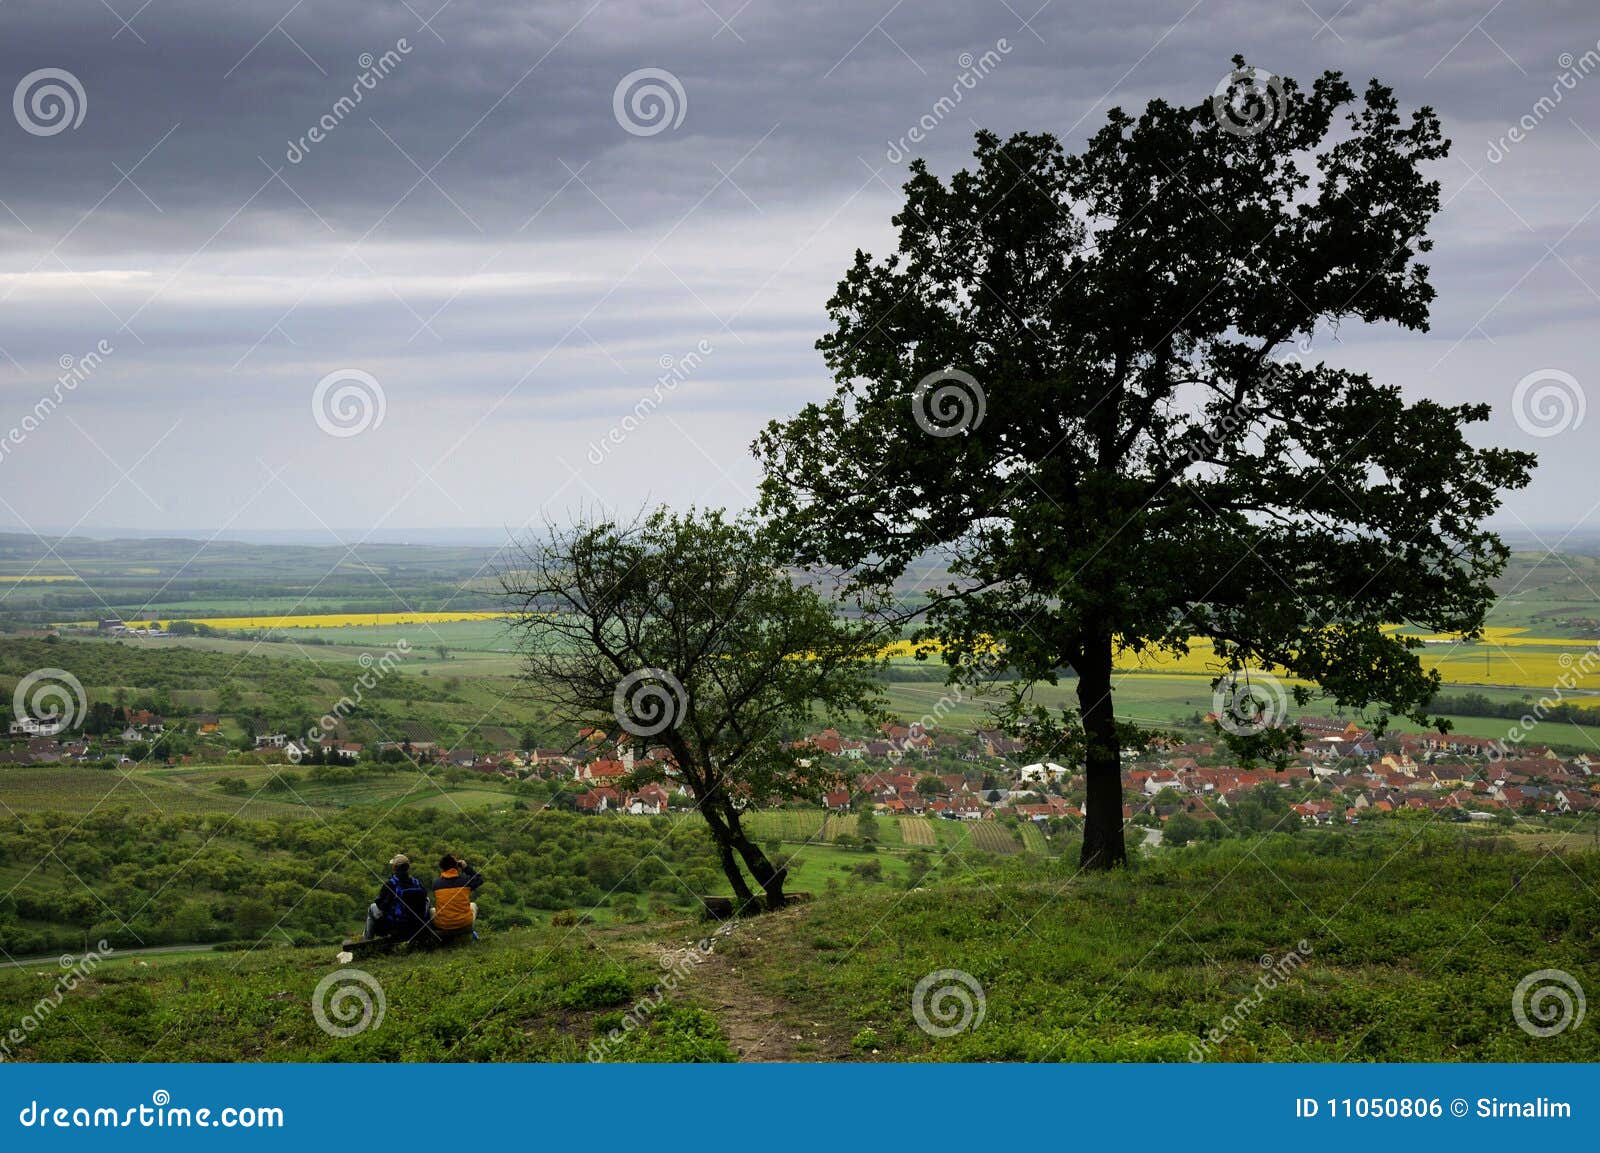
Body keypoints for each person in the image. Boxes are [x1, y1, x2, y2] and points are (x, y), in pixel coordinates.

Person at [365, 854, 430, 942]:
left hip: (397, 924)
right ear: (408, 867)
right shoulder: (417, 883)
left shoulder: (391, 884)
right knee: (428, 900)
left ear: (394, 868)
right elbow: (425, 898)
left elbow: (381, 906)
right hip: (416, 922)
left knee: (372, 907)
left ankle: (367, 940)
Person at [430, 853, 483, 938]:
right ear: (457, 866)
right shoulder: (465, 881)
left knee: (432, 910)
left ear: (442, 867)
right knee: (473, 905)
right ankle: (468, 932)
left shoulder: (436, 884)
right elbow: (479, 879)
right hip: (464, 924)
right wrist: (466, 868)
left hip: (444, 926)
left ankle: (437, 934)